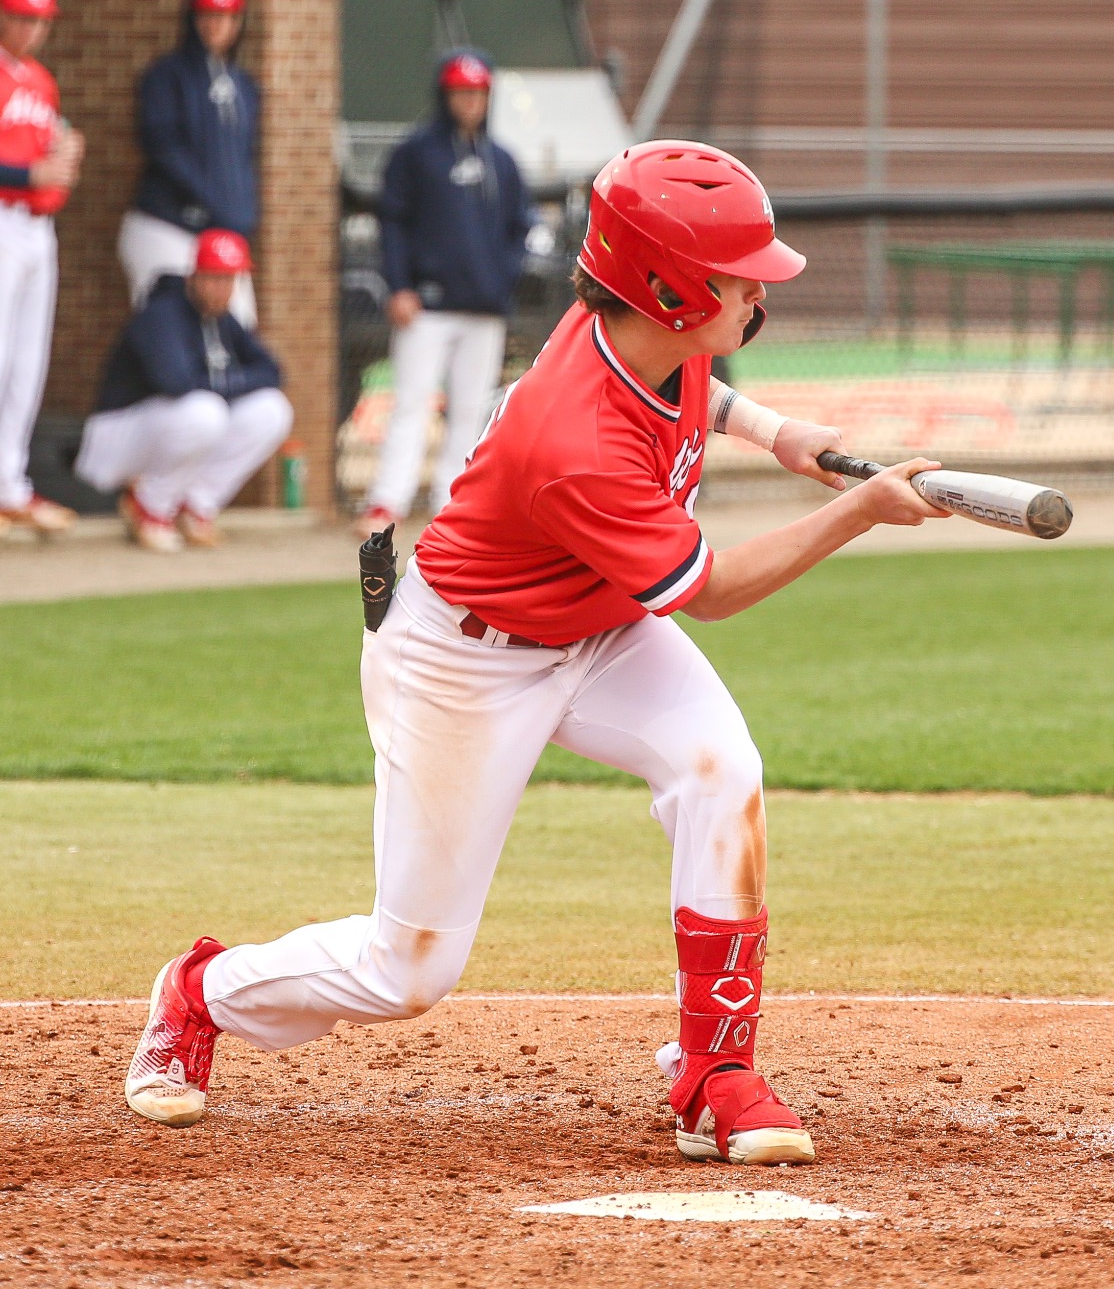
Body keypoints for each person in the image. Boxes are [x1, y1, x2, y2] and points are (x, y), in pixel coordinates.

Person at [123, 140, 948, 1164]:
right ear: (668, 287)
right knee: (407, 972)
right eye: (738, 279)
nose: (756, 294)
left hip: (595, 627)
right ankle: (200, 989)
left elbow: (697, 383)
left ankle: (714, 1073)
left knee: (720, 768)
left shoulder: (640, 327)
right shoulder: (574, 440)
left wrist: (777, 433)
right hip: (463, 660)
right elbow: (718, 593)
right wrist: (862, 507)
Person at [354, 49, 534, 536]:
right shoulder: (415, 154)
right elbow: (391, 223)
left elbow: (522, 229)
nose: (469, 102)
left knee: (472, 411)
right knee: (411, 400)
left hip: (483, 308)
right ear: (444, 94)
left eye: (477, 93)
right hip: (426, 307)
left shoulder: (503, 162)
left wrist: (502, 278)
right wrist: (400, 286)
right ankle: (385, 503)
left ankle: (450, 504)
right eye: (460, 92)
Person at [76, 228, 291, 553]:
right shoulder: (162, 313)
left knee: (272, 409)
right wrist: (228, 382)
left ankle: (195, 506)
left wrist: (225, 382)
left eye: (230, 279)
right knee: (205, 410)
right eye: (215, 278)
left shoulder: (223, 319)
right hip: (116, 440)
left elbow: (272, 371)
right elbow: (176, 383)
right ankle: (150, 506)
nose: (223, 289)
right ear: (195, 276)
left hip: (163, 430)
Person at [122, 0, 259, 325]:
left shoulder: (243, 85)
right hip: (168, 225)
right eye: (208, 15)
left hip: (221, 236)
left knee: (238, 330)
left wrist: (241, 214)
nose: (218, 25)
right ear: (192, 18)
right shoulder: (167, 76)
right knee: (171, 333)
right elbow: (163, 149)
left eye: (228, 16)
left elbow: (244, 159)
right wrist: (218, 204)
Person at [0, 0, 84, 539]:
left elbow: (54, 150)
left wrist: (67, 151)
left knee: (28, 360)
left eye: (39, 20)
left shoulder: (43, 82)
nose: (31, 29)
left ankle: (10, 485)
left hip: (38, 226)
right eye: (21, 16)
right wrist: (30, 171)